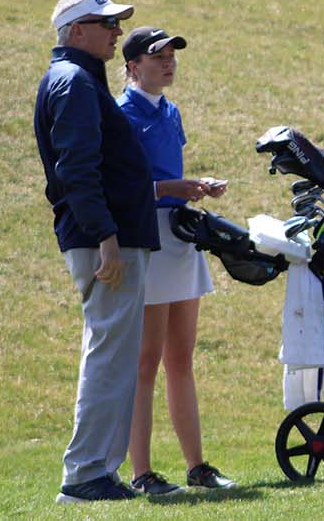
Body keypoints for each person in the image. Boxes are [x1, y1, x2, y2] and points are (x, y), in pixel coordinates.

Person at [34, 0, 154, 504]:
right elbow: (75, 170)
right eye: (106, 24)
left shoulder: (80, 79)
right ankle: (86, 475)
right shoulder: (75, 83)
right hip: (104, 241)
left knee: (113, 356)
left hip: (106, 237)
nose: (117, 32)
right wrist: (106, 236)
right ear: (76, 31)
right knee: (109, 357)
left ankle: (99, 471)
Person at [116, 26, 237, 496]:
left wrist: (196, 185)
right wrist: (173, 189)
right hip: (147, 240)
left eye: (171, 56)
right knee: (145, 361)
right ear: (132, 67)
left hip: (180, 236)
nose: (168, 63)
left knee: (181, 358)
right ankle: (141, 473)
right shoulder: (121, 115)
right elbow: (124, 190)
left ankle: (197, 467)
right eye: (157, 57)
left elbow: (168, 176)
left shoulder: (170, 111)